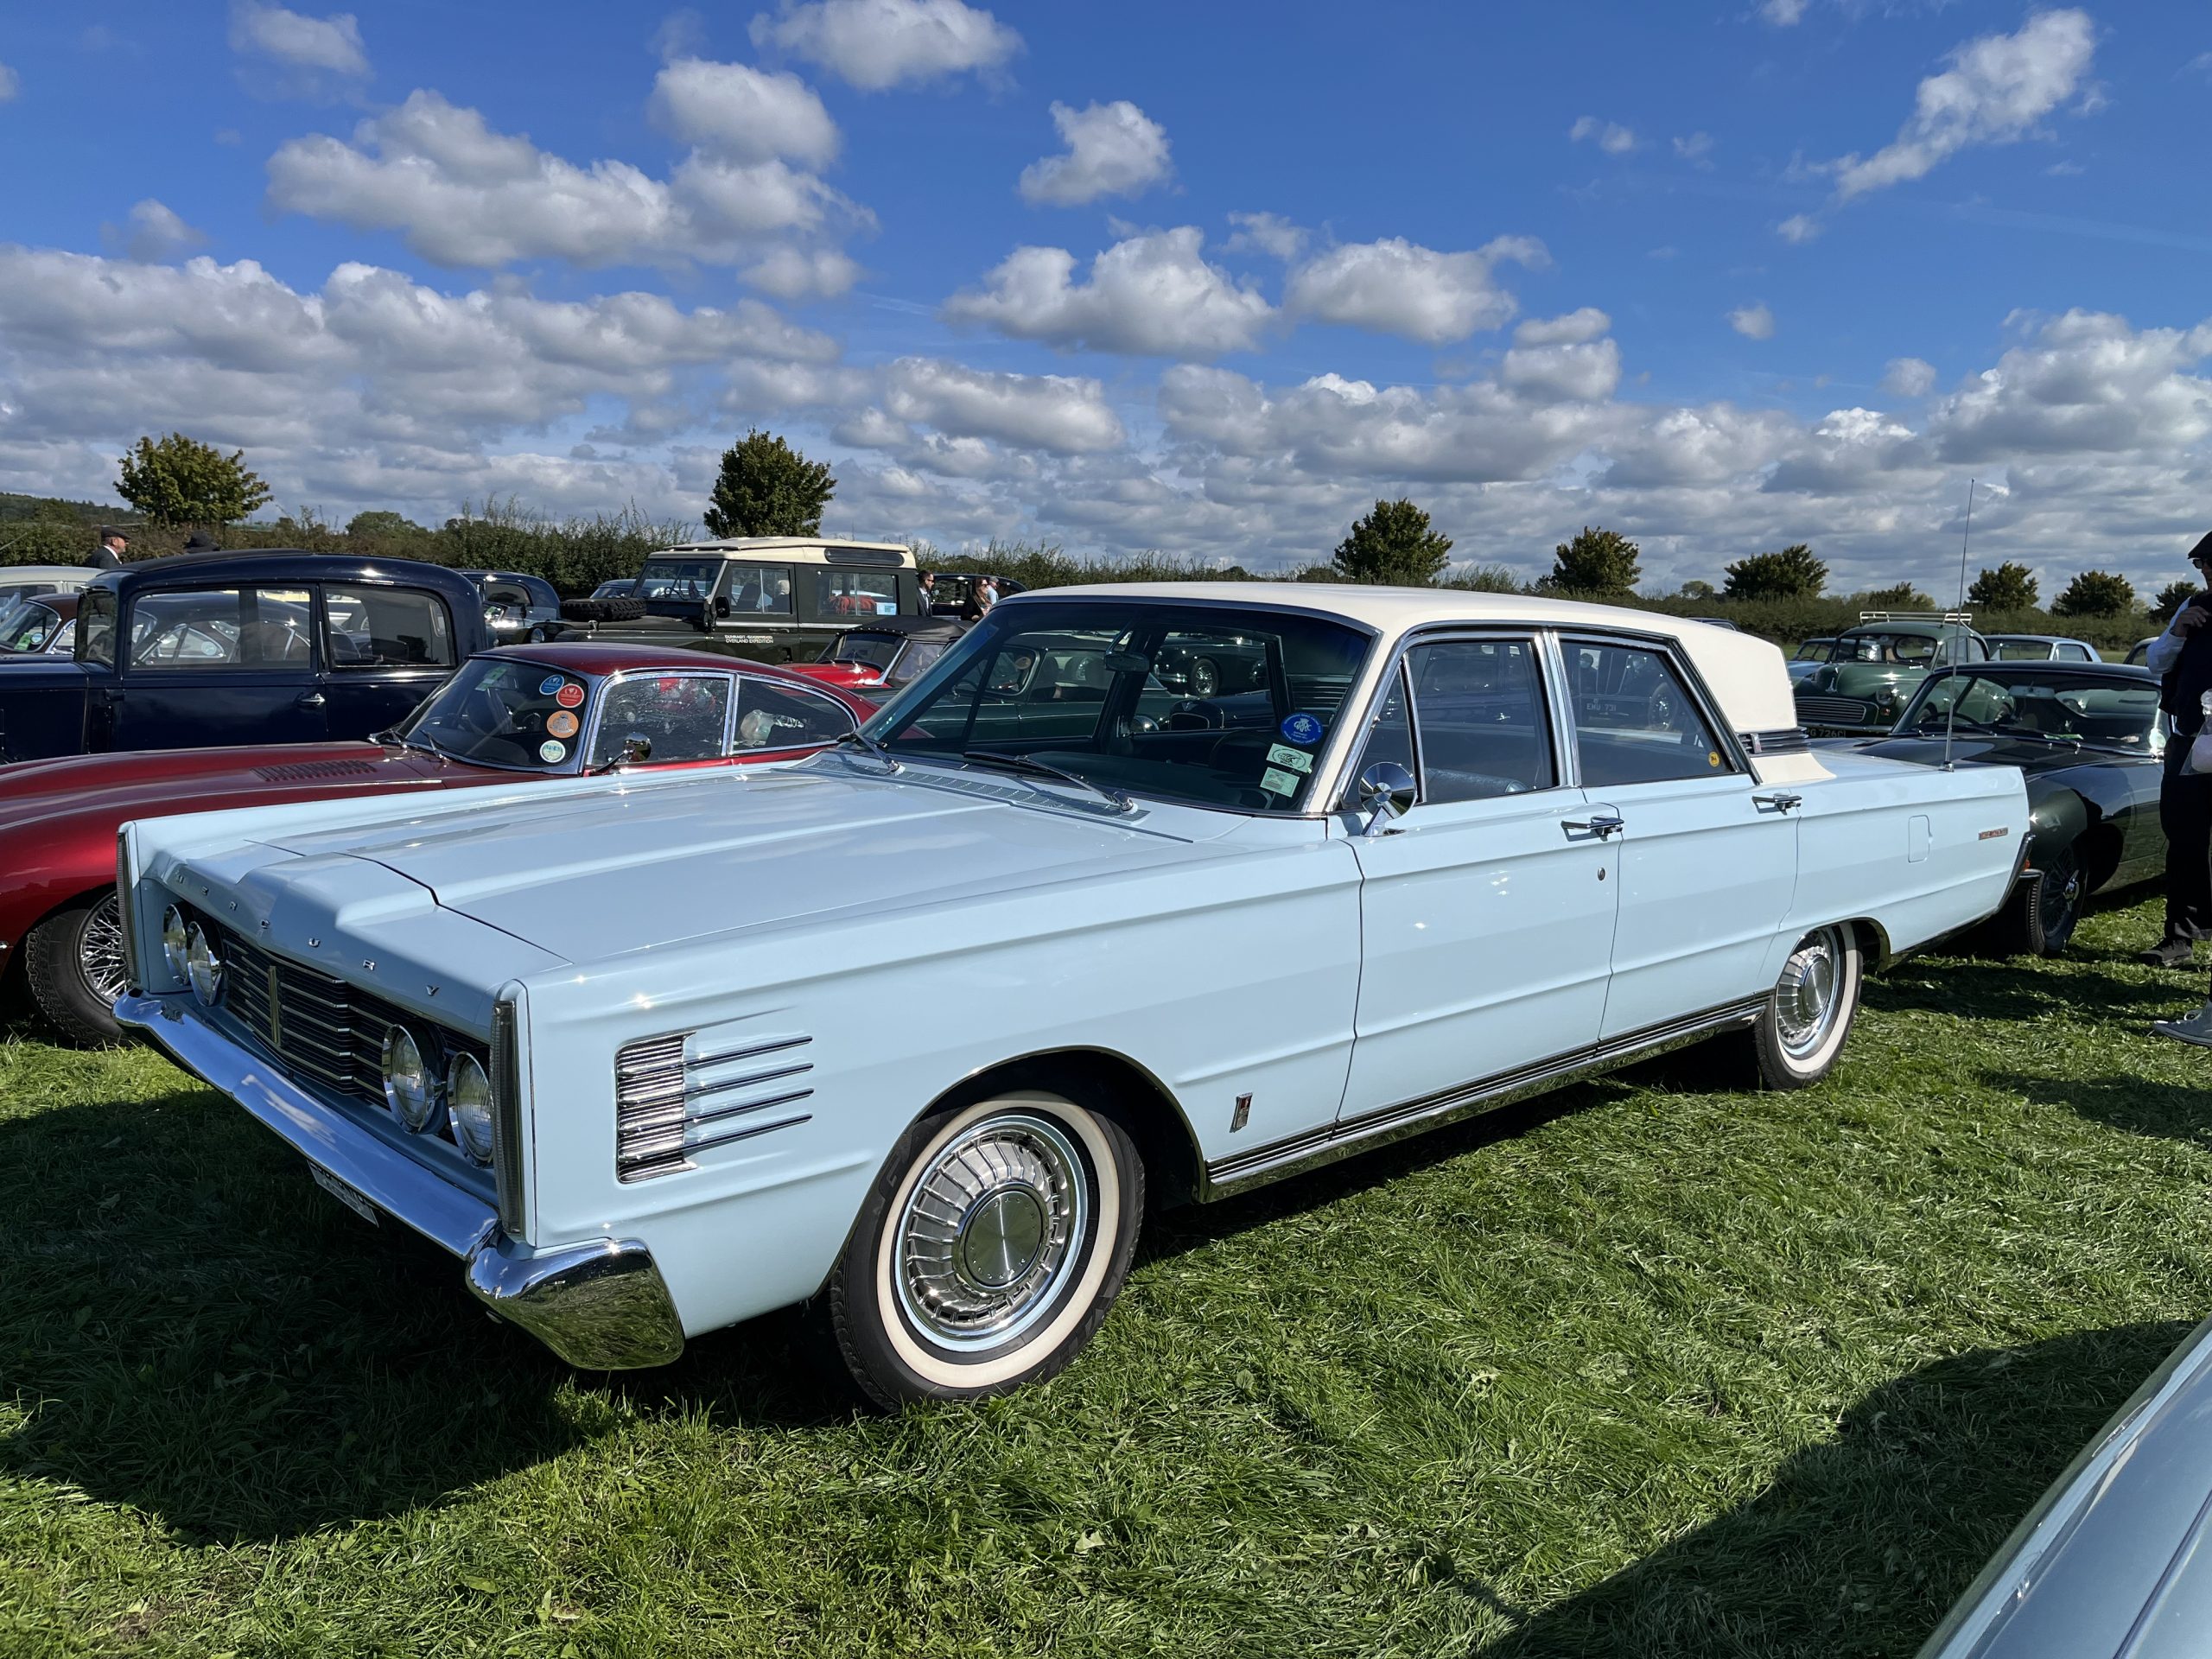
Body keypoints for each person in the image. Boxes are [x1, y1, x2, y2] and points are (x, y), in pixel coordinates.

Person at [2139, 531, 2212, 969]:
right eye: (2203, 565)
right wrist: (2179, 632)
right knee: (2184, 841)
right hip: (2189, 741)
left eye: (2211, 564)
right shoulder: (2193, 606)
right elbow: (2156, 663)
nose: (2207, 572)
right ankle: (2179, 938)